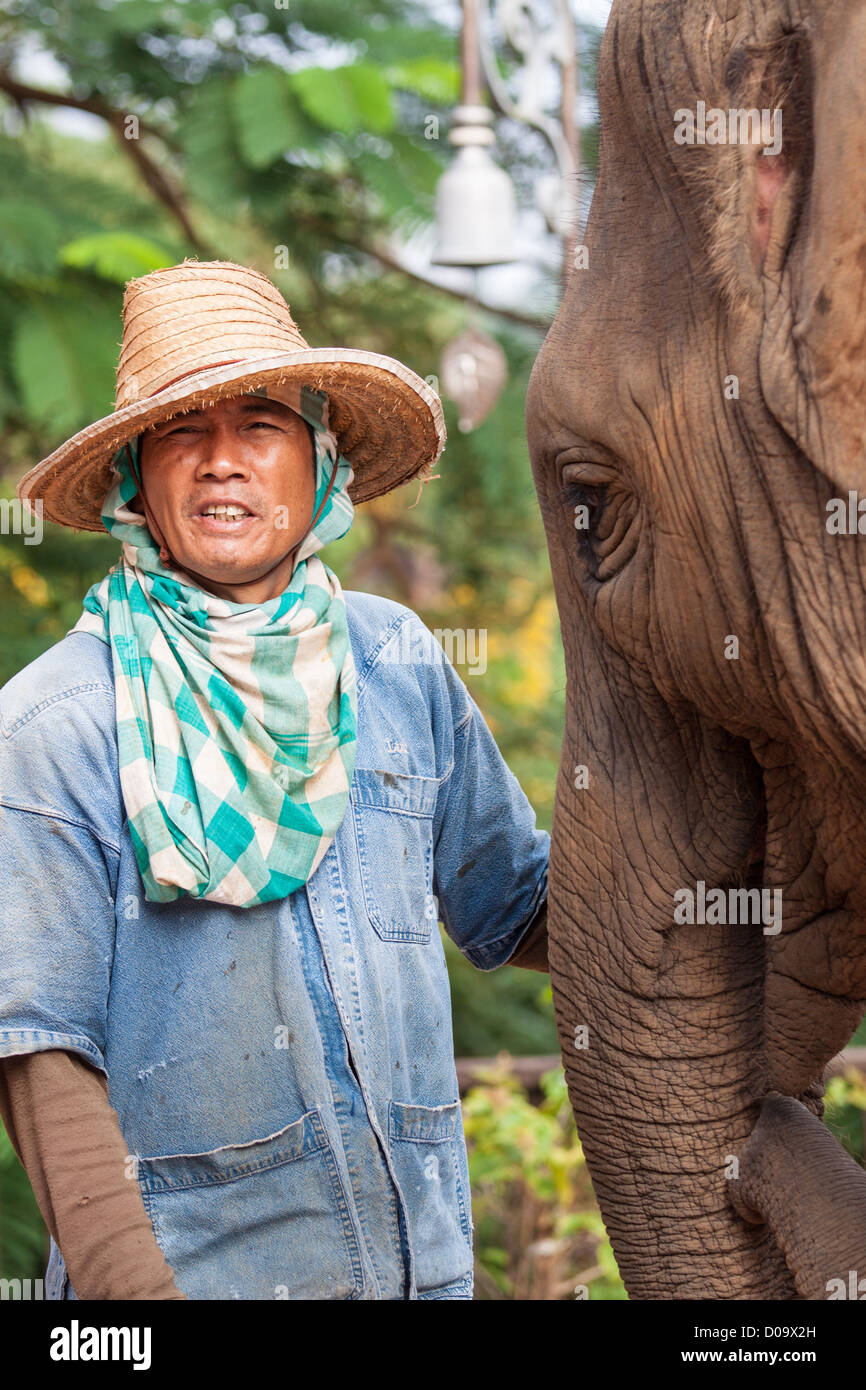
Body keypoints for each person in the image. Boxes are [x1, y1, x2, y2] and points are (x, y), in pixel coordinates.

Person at [0, 259, 549, 1301]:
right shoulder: (55, 723)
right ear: (134, 479)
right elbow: (37, 1051)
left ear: (318, 461)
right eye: (181, 432)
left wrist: (727, 894)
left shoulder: (392, 660)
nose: (221, 463)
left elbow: (515, 903)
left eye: (258, 425)